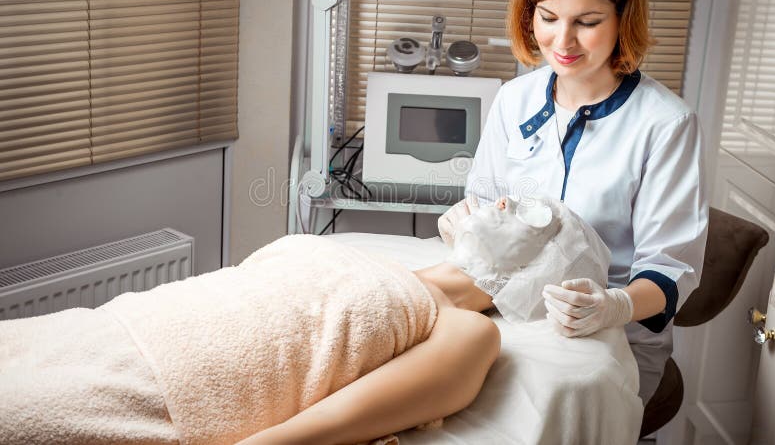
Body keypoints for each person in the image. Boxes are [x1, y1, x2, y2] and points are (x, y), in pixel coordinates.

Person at [1, 195, 608, 445]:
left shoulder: (464, 329)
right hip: (121, 326)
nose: (501, 199)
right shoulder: (352, 252)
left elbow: (334, 424)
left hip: (166, 384)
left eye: (530, 212)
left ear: (538, 265)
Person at [438, 0, 708, 405]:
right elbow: (485, 209)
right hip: (505, 310)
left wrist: (612, 306)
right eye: (547, 17)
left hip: (608, 340)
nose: (562, 42)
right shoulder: (513, 101)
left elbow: (672, 269)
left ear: (623, 19)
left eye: (587, 22)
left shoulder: (665, 124)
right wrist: (467, 225)